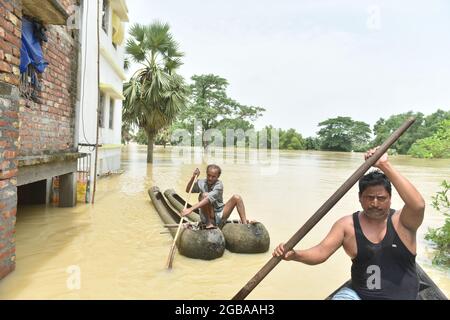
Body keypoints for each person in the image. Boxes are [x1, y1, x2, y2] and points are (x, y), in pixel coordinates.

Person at [273, 147, 425, 300]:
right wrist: (295, 255)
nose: (375, 203)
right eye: (369, 197)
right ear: (360, 197)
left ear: (390, 198)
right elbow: (320, 253)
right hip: (358, 295)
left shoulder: (403, 222)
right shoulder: (347, 226)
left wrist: (385, 165)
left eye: (381, 198)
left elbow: (418, 205)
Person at [181, 164, 251, 229]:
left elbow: (208, 199)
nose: (210, 178)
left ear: (218, 177)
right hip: (207, 215)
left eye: (213, 176)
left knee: (237, 197)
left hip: (220, 212)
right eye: (208, 175)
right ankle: (208, 223)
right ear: (206, 174)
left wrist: (190, 209)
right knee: (204, 195)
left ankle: (245, 225)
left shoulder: (219, 185)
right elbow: (188, 190)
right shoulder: (201, 182)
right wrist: (193, 177)